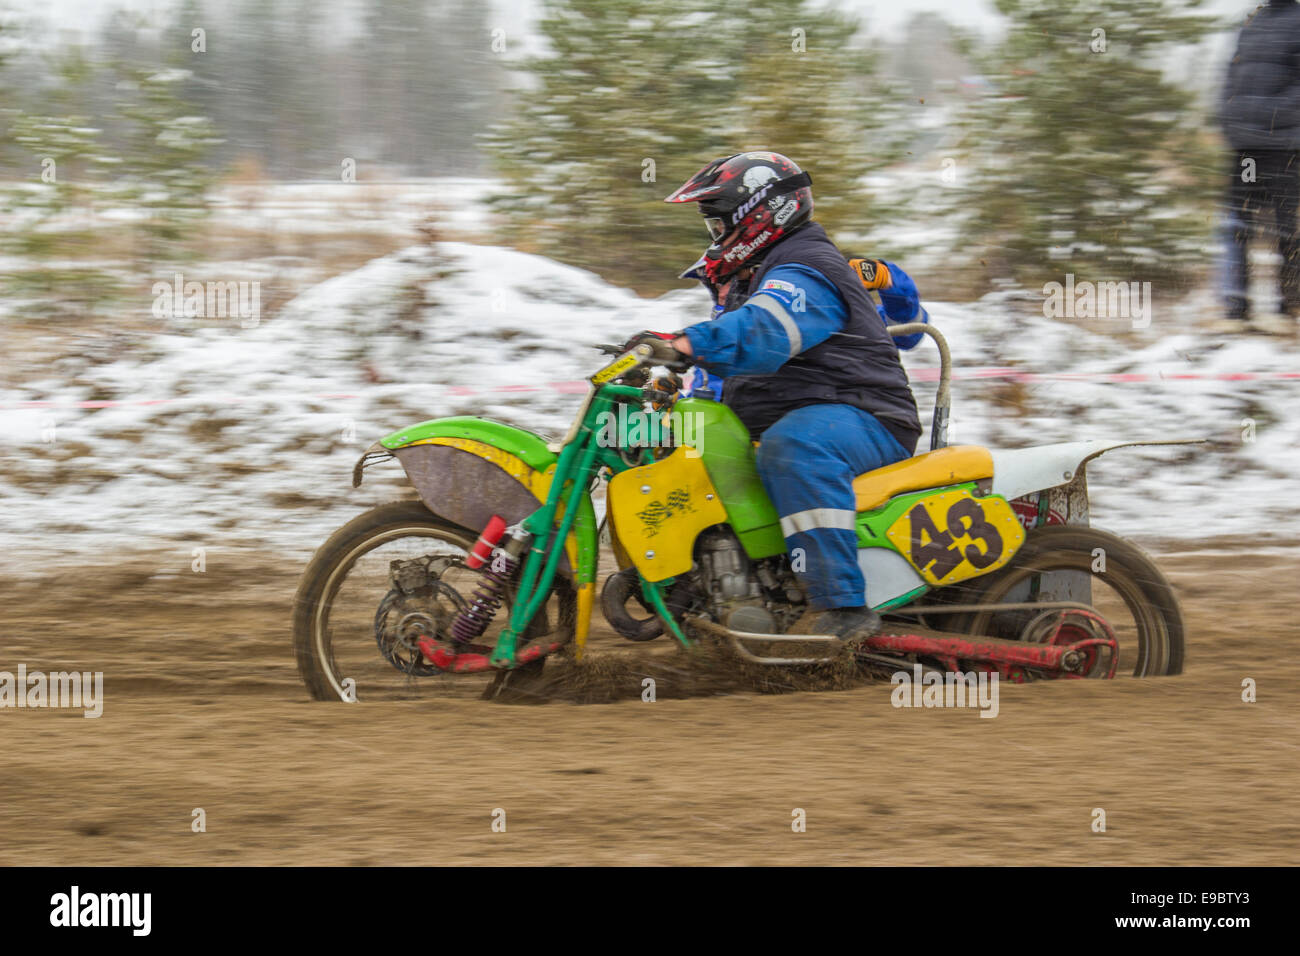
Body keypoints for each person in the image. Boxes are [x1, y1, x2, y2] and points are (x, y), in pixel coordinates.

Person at [627, 151, 925, 641]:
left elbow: (765, 331)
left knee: (796, 447)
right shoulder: (754, 274)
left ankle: (842, 605)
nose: (715, 234)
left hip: (864, 417)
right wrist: (673, 389)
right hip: (798, 412)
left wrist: (687, 342)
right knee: (678, 441)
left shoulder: (807, 265)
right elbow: (738, 363)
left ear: (761, 214)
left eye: (719, 221)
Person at [1218, 0, 1300, 334]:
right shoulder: (1251, 20)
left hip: (1283, 145)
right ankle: (1237, 309)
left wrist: (1280, 120)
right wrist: (1228, 118)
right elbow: (1230, 73)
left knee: (1284, 227)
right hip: (1246, 147)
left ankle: (1284, 308)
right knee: (1239, 223)